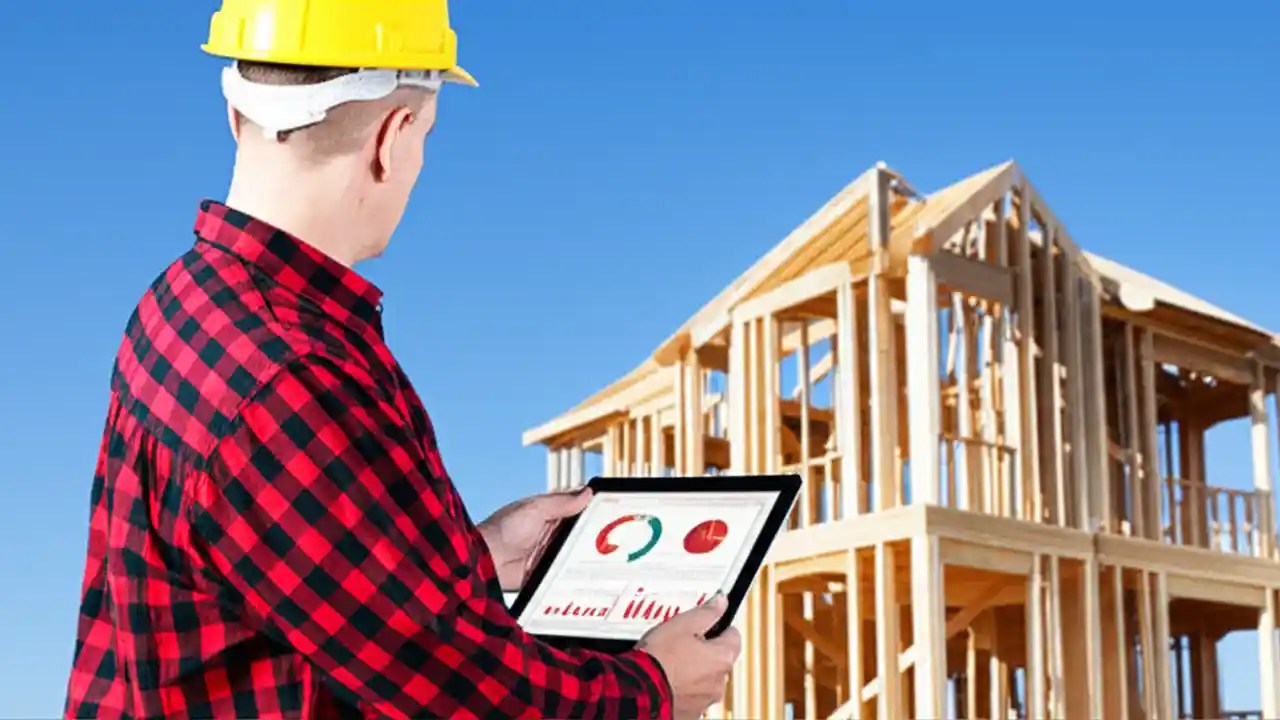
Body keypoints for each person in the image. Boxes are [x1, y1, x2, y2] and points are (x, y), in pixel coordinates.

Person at [61, 1, 742, 718]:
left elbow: (298, 578)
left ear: (237, 112)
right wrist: (655, 688)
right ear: (394, 136)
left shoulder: (182, 302)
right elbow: (462, 693)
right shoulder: (294, 377)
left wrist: (476, 553)